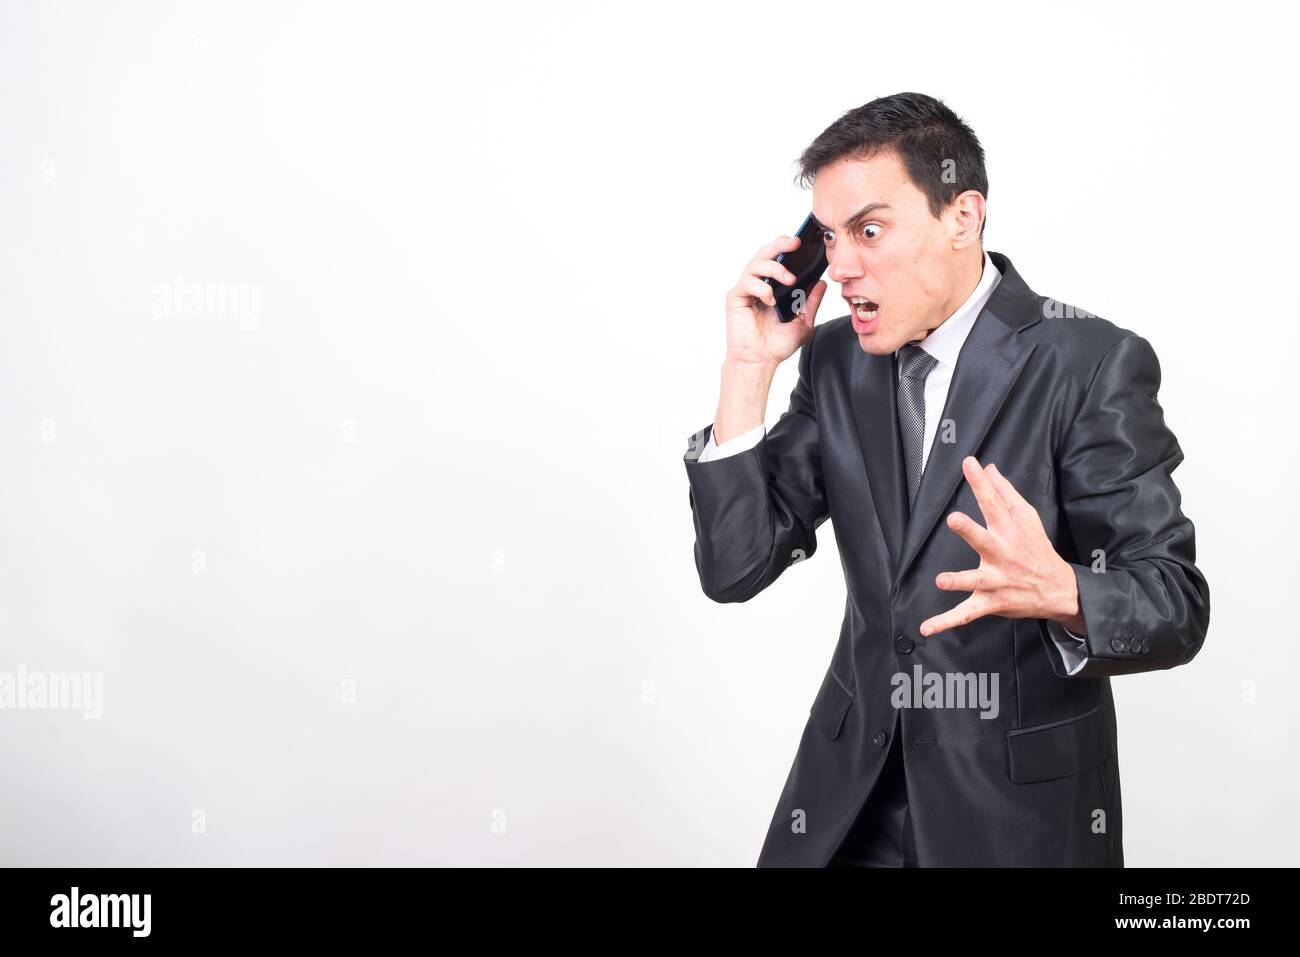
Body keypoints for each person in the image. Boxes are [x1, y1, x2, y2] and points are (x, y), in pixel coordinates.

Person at [682, 92, 1210, 867]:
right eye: (827, 237)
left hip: (1013, 821)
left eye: (868, 229)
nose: (840, 265)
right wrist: (748, 370)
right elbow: (734, 567)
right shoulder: (835, 364)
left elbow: (1175, 604)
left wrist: (1064, 589)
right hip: (846, 809)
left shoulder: (1088, 363)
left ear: (963, 216)